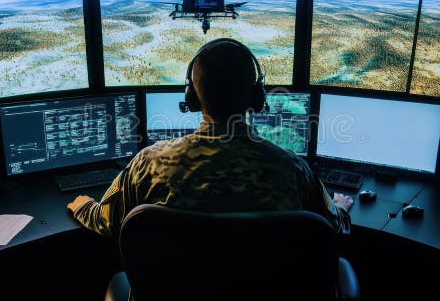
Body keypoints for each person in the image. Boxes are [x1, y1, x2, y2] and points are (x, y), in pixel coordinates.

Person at [67, 38, 352, 236]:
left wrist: (83, 205)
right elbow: (332, 228)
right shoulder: (292, 169)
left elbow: (106, 221)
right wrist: (338, 207)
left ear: (191, 97)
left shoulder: (146, 164)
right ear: (256, 97)